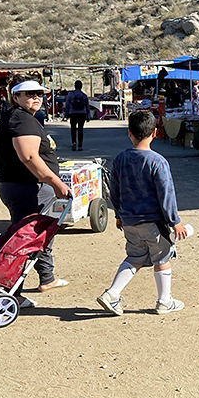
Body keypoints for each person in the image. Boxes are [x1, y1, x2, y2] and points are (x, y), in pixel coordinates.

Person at [97, 110, 190, 315]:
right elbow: (166, 194)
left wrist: (119, 215)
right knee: (162, 258)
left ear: (129, 133)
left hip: (129, 221)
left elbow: (115, 190)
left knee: (134, 258)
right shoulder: (157, 162)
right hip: (153, 222)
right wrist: (175, 221)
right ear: (155, 133)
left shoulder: (120, 159)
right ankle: (164, 301)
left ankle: (112, 294)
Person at [0, 79, 71, 291]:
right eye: (29, 94)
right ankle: (11, 290)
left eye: (39, 94)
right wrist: (55, 182)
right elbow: (28, 157)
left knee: (37, 232)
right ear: (16, 97)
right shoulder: (21, 120)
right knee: (24, 239)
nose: (36, 97)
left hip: (22, 185)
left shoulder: (21, 117)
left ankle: (47, 277)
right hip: (27, 187)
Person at [64, 80, 90, 151]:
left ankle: (74, 143)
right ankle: (80, 145)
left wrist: (66, 114)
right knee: (80, 130)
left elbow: (67, 105)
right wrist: (88, 116)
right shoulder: (84, 95)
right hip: (82, 113)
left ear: (75, 86)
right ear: (81, 86)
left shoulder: (70, 94)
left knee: (73, 129)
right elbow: (87, 106)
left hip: (73, 113)